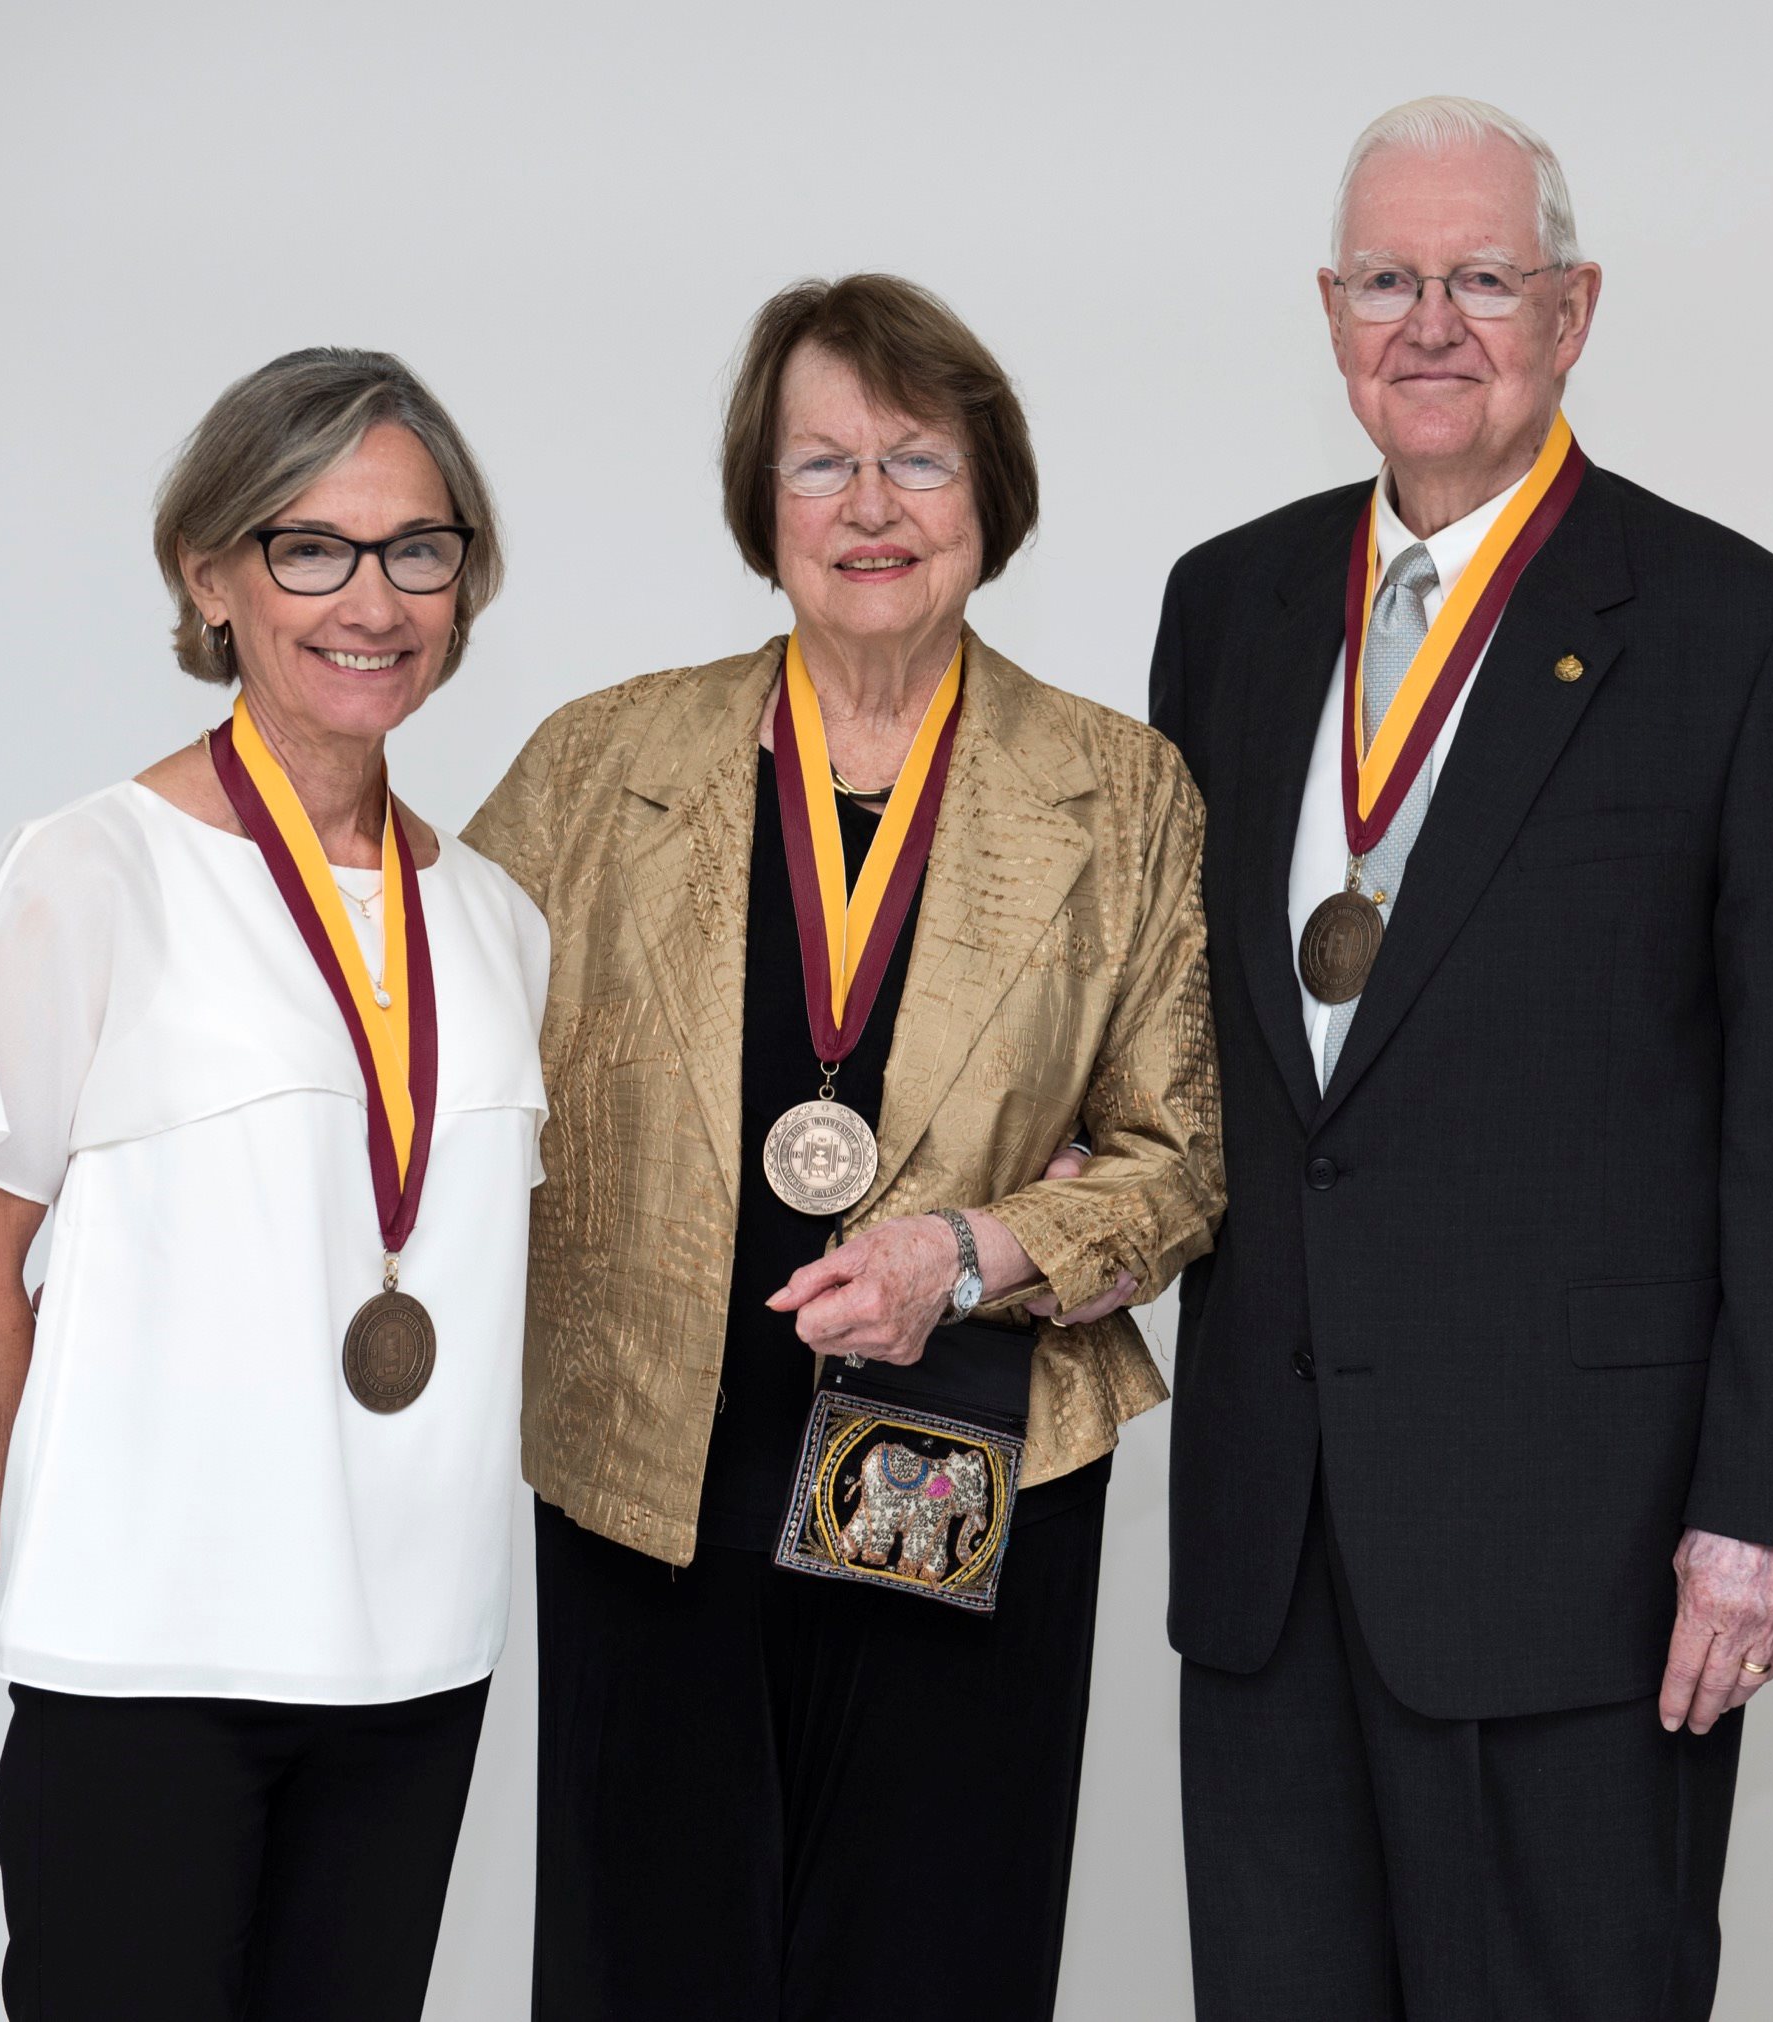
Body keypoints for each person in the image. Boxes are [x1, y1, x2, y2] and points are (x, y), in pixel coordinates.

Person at [1149, 97, 1773, 2021]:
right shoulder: (1226, 606)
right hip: (1273, 1534)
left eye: (1486, 276)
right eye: (1390, 279)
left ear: (1576, 310)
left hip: (1590, 1551)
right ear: (1328, 310)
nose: (1434, 322)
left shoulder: (1740, 633)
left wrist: (1766, 1507)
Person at [463, 271, 1221, 2021]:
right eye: (820, 465)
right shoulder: (598, 762)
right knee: (646, 1969)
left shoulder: (1123, 789)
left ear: (990, 494)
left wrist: (965, 1254)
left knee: (930, 1967)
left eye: (915, 459)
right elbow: (435, 1070)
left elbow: (1182, 1161)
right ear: (761, 501)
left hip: (964, 1483)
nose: (870, 509)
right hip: (646, 1482)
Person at [0, 349, 545, 2021]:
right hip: (152, 1668)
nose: (374, 598)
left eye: (419, 547)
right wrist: (77, 1577)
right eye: (310, 546)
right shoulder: (91, 869)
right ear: (212, 574)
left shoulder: (492, 917)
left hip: (416, 1663)